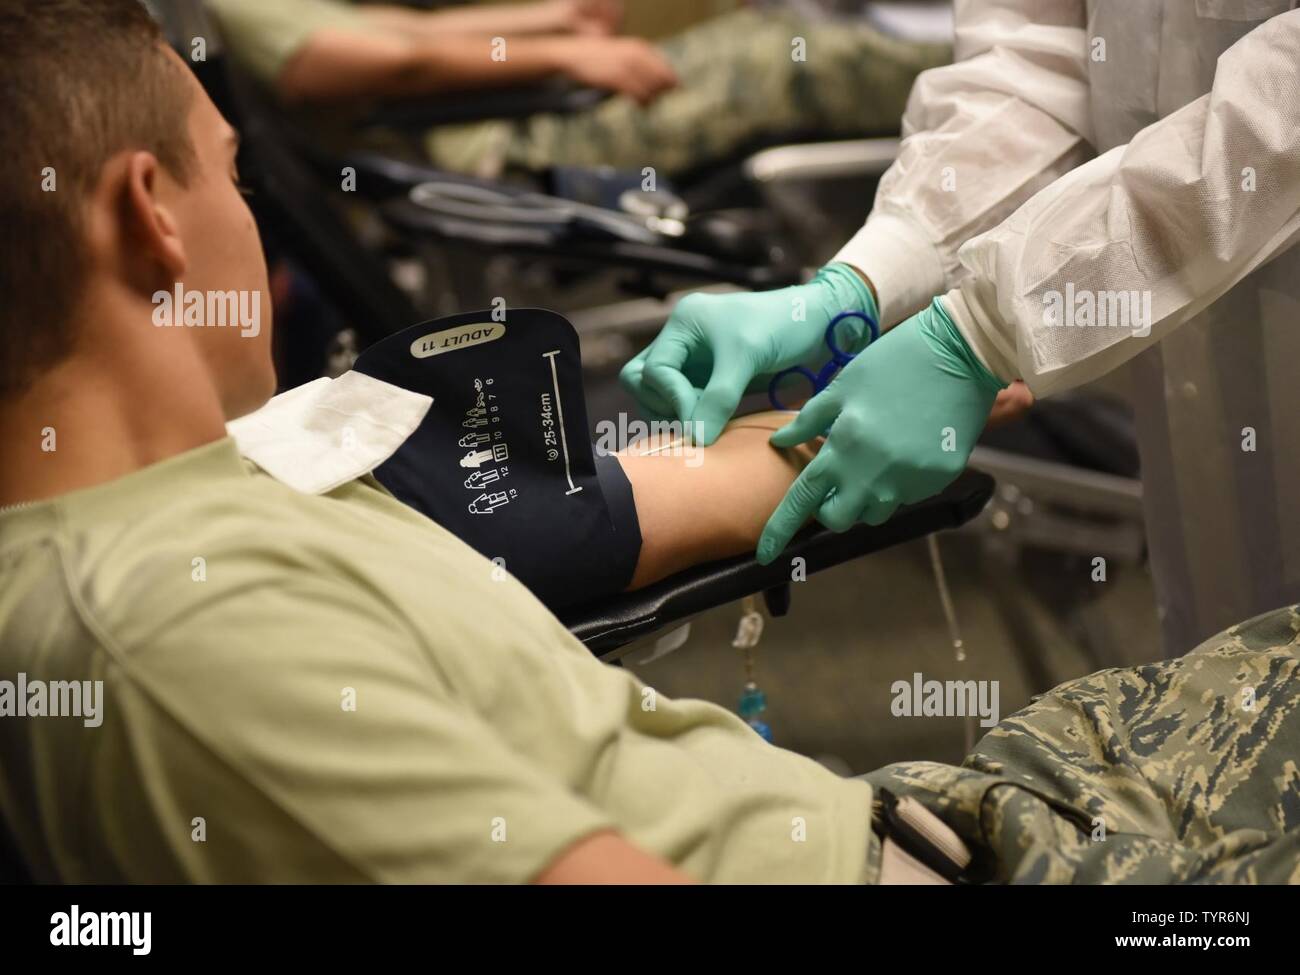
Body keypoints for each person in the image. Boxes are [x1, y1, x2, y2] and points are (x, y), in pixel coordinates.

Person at [3, 0, 1300, 885]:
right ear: (153, 216)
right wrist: (971, 327)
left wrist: (894, 310)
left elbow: (679, 488)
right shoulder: (179, 634)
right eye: (233, 173)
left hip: (941, 805)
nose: (257, 216)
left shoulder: (236, 467)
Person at [623, 0, 1300, 657]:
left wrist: (983, 330)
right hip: (1207, 417)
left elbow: (1277, 118)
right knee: (1228, 696)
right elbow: (1032, 69)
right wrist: (862, 278)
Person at [205, 0, 950, 179]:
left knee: (769, 24)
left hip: (522, 102)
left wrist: (552, 17)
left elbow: (396, 31)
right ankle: (1006, 76)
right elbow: (364, 66)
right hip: (510, 134)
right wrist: (563, 57)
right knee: (792, 59)